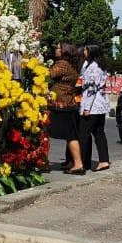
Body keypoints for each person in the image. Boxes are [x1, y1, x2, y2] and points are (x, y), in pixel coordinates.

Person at [47, 43, 85, 175]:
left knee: (45, 131)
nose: (56, 50)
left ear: (64, 52)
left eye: (58, 48)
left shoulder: (62, 64)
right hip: (69, 104)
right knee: (71, 135)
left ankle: (77, 164)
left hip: (59, 105)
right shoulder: (72, 65)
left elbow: (47, 75)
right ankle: (77, 163)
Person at [79, 44, 111, 172]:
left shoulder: (94, 67)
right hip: (100, 104)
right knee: (98, 133)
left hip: (93, 105)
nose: (84, 52)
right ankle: (104, 160)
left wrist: (87, 108)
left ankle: (81, 162)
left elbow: (92, 88)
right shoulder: (98, 65)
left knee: (83, 134)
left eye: (86, 50)